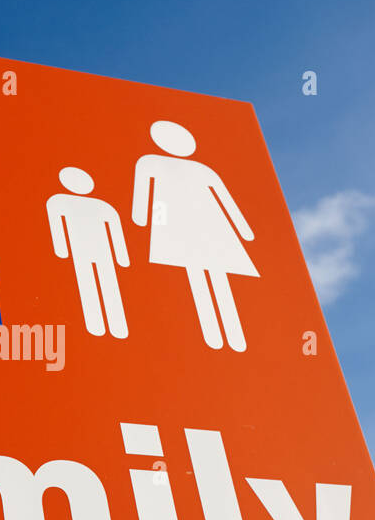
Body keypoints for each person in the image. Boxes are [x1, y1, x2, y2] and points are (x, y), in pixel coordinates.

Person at [131, 120, 258, 351]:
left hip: (207, 226)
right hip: (185, 226)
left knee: (212, 276)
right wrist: (148, 222)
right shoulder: (151, 163)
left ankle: (230, 337)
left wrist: (244, 231)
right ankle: (217, 337)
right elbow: (147, 196)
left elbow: (224, 200)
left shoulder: (196, 169)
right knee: (201, 276)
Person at [45, 166, 129, 339]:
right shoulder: (59, 201)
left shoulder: (102, 206)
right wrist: (62, 249)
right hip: (82, 251)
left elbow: (115, 231)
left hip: (100, 251)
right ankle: (97, 324)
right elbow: (57, 226)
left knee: (105, 285)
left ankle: (116, 326)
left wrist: (122, 257)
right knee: (88, 284)